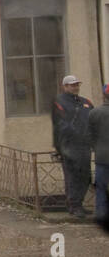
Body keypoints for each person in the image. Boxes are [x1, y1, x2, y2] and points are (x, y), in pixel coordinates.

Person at [52, 74, 94, 218]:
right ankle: (74, 205)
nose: (75, 87)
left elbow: (93, 120)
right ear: (65, 86)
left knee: (86, 176)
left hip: (85, 146)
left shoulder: (85, 102)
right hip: (69, 146)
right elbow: (61, 124)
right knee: (72, 177)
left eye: (77, 84)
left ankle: (79, 203)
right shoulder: (59, 102)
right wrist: (77, 134)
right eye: (72, 85)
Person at [88, 84, 109, 225]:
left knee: (101, 187)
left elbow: (90, 135)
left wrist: (95, 147)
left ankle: (101, 214)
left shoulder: (94, 113)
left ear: (104, 96)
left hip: (102, 157)